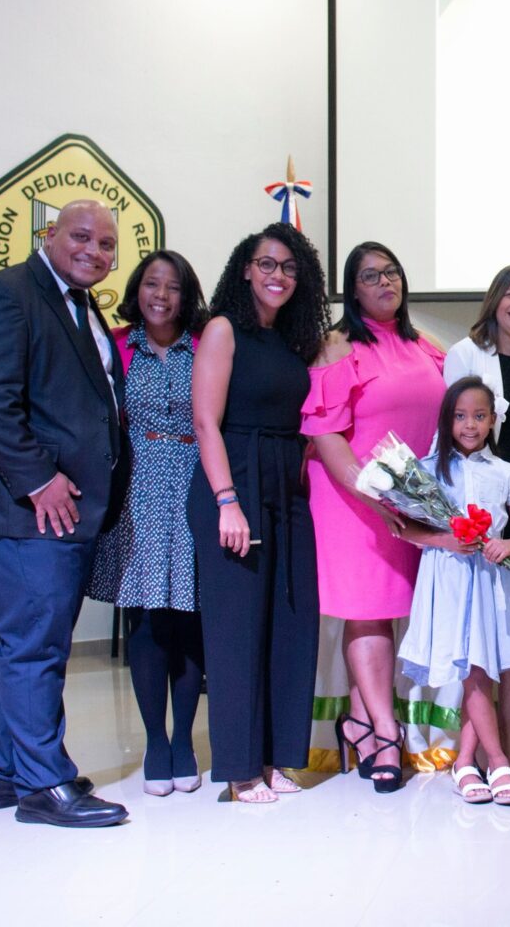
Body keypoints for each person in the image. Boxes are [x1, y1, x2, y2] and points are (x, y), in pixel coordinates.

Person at [0, 198, 129, 827]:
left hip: (54, 508)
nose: (94, 251)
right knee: (37, 642)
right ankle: (44, 784)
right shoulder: (4, 294)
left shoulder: (78, 303)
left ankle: (1, 773)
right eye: (81, 236)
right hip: (23, 507)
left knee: (18, 638)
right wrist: (40, 480)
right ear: (49, 234)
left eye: (106, 244)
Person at [189, 222, 330, 804]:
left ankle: (276, 758)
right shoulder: (224, 329)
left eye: (289, 267)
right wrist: (227, 501)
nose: (278, 275)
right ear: (245, 269)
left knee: (291, 621)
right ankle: (240, 769)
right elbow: (205, 422)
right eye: (267, 264)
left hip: (286, 484)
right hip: (236, 479)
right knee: (237, 630)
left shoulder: (292, 341)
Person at [302, 241, 445, 794]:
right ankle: (387, 732)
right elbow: (325, 435)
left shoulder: (424, 345)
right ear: (352, 289)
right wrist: (375, 498)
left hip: (413, 499)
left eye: (392, 272)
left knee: (385, 614)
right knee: (367, 613)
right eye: (370, 276)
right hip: (354, 501)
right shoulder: (336, 346)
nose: (385, 283)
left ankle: (360, 723)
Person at [87, 250, 208, 796]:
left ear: (187, 295)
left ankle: (184, 740)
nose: (161, 295)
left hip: (194, 485)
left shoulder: (204, 346)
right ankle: (155, 742)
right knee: (146, 619)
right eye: (152, 284)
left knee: (189, 617)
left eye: (173, 286)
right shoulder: (117, 346)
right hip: (136, 488)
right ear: (137, 289)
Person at [397, 378, 510, 806]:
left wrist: (507, 545)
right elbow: (407, 529)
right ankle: (497, 761)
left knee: (484, 672)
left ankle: (465, 761)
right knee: (475, 672)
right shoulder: (427, 469)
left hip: (493, 582)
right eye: (460, 416)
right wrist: (446, 540)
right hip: (450, 581)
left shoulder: (506, 472)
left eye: (479, 416)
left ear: (493, 419)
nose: (470, 425)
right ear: (447, 420)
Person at [441, 264, 510, 784]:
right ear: (494, 299)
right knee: (478, 631)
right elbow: (450, 431)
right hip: (479, 512)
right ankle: (480, 751)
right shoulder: (465, 355)